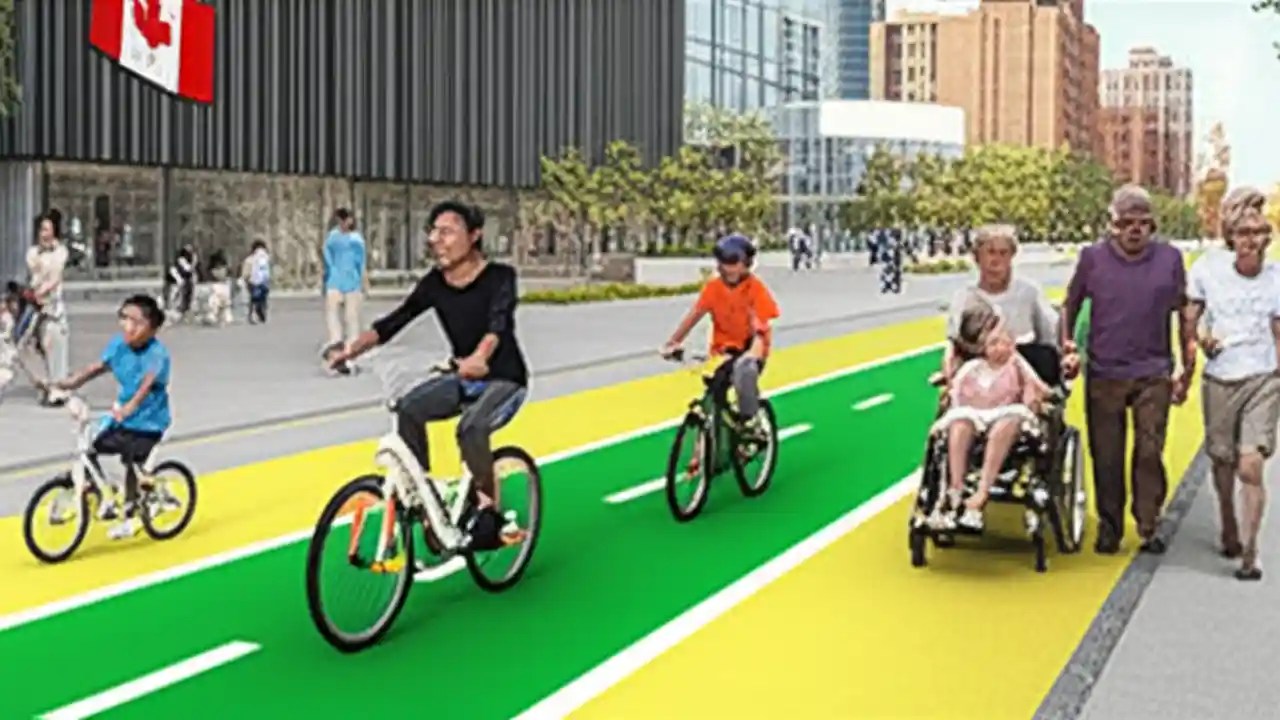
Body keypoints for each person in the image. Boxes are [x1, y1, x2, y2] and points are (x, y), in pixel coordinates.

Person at [325, 201, 528, 551]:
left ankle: (489, 513)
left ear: (474, 235)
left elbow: (499, 322)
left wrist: (480, 357)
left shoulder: (500, 277)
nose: (436, 239)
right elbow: (397, 320)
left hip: (503, 380)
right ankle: (428, 507)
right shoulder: (435, 283)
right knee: (409, 409)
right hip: (463, 377)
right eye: (433, 232)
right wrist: (351, 348)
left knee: (471, 428)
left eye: (446, 231)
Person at [1061, 184, 1194, 555]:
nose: (1134, 229)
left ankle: (1149, 523)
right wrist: (1068, 345)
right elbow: (1069, 306)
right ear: (1112, 224)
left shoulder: (1170, 259)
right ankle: (1110, 524)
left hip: (1154, 370)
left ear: (1153, 225)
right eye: (1125, 222)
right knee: (1107, 453)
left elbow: (1184, 312)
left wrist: (1187, 363)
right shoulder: (1092, 258)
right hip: (1104, 371)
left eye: (1143, 222)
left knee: (1150, 450)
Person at [1183, 187, 1280, 580]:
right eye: (1243, 233)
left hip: (1263, 376)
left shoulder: (1276, 278)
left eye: (1259, 232)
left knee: (1251, 463)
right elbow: (1191, 317)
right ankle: (1227, 518)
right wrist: (1196, 347)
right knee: (1222, 459)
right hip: (1220, 377)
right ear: (1231, 237)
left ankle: (1251, 552)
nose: (1251, 240)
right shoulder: (1207, 269)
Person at [43, 294, 173, 541]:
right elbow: (96, 368)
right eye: (124, 319)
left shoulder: (157, 354)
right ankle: (104, 494)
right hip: (123, 419)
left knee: (131, 459)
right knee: (91, 449)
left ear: (152, 328)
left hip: (149, 423)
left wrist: (130, 407)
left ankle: (133, 512)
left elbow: (145, 387)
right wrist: (66, 383)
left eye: (136, 321)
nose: (128, 326)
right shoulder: (118, 346)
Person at [930, 303, 1049, 532]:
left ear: (1012, 344)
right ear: (982, 347)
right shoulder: (972, 367)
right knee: (959, 424)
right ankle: (955, 491)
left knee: (1003, 427)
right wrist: (946, 387)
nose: (999, 349)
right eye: (992, 343)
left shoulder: (1016, 363)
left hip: (1007, 412)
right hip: (974, 413)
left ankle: (981, 493)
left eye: (1003, 343)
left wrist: (1039, 398)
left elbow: (1039, 388)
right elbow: (955, 392)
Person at [660, 234, 781, 443]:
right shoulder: (714, 288)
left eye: (734, 264)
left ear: (747, 264)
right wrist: (673, 342)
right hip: (723, 351)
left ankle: (750, 422)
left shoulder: (755, 289)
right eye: (724, 264)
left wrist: (753, 355)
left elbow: (760, 328)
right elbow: (694, 315)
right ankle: (705, 449)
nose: (728, 269)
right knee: (713, 393)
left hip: (750, 350)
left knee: (745, 372)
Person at [942, 223, 1059, 381]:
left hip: (1024, 374)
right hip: (979, 377)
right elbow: (953, 345)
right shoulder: (964, 298)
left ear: (1012, 256)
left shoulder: (1029, 292)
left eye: (1003, 253)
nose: (995, 261)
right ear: (977, 257)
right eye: (990, 252)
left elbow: (1050, 336)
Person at [27, 211, 71, 406]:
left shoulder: (61, 252)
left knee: (54, 345)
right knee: (29, 346)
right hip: (34, 306)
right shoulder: (32, 252)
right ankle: (44, 383)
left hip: (53, 307)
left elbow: (55, 277)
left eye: (46, 229)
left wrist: (42, 290)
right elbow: (35, 272)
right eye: (41, 229)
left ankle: (58, 388)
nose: (43, 233)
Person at [322, 208, 367, 373]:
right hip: (341, 281)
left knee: (348, 318)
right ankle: (340, 345)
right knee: (344, 318)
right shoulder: (338, 238)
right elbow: (360, 263)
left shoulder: (348, 239)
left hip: (345, 281)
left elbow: (360, 262)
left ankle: (346, 348)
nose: (345, 223)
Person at [244, 241, 271, 324]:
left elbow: (246, 273)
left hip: (254, 282)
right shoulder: (265, 258)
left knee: (254, 299)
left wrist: (246, 280)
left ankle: (254, 314)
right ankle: (261, 313)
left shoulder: (249, 259)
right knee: (262, 299)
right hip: (262, 282)